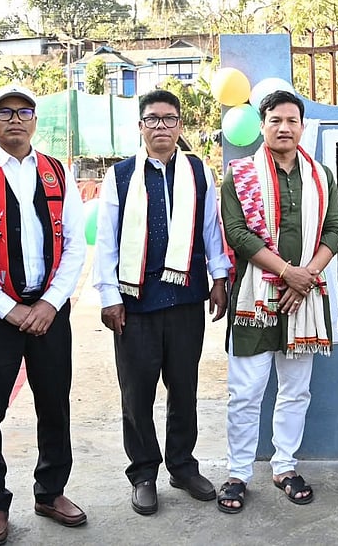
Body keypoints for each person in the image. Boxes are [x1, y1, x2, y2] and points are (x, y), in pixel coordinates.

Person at [0, 83, 87, 545]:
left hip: (49, 311)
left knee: (54, 404)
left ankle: (51, 491)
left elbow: (74, 246)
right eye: (3, 112)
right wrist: (9, 309)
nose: (14, 119)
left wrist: (49, 303)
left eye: (23, 111)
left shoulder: (57, 172)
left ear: (34, 120)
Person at [92, 89, 230, 515]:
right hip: (135, 303)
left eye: (169, 120)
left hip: (187, 297)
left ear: (180, 126)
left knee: (184, 388)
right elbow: (106, 241)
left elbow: (211, 229)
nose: (161, 128)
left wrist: (220, 277)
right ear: (140, 127)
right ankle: (144, 473)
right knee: (136, 393)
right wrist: (110, 296)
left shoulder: (197, 171)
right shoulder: (119, 176)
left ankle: (183, 467)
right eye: (152, 120)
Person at [217, 90, 338, 514]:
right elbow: (237, 233)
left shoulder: (321, 176)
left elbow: (336, 231)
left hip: (303, 300)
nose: (284, 127)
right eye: (275, 120)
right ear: (262, 125)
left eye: (292, 120)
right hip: (256, 299)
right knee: (246, 391)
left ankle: (285, 466)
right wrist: (289, 273)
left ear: (302, 126)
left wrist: (305, 277)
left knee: (295, 391)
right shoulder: (240, 174)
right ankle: (238, 473)